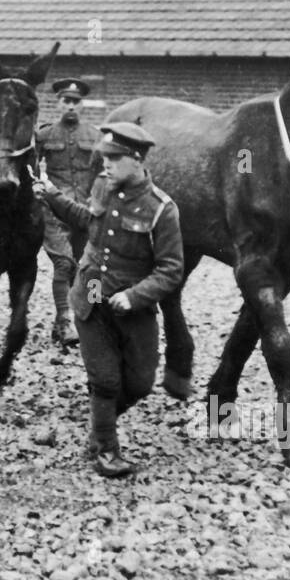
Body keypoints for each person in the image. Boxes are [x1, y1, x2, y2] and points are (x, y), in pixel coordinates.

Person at [34, 122, 185, 477]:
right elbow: (88, 221)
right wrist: (52, 196)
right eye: (104, 157)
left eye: (114, 159)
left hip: (133, 306)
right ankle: (106, 447)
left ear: (136, 161)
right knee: (105, 379)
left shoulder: (162, 210)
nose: (105, 165)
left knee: (141, 383)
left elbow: (171, 269)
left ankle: (100, 426)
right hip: (90, 292)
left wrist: (134, 297)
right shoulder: (103, 185)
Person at [36, 78, 101, 348]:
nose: (71, 106)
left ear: (82, 105)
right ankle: (65, 320)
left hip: (84, 212)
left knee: (88, 267)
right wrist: (38, 188)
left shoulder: (96, 136)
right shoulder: (44, 135)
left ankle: (90, 318)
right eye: (66, 101)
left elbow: (102, 172)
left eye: (76, 101)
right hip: (53, 211)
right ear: (58, 103)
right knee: (64, 264)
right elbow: (30, 168)